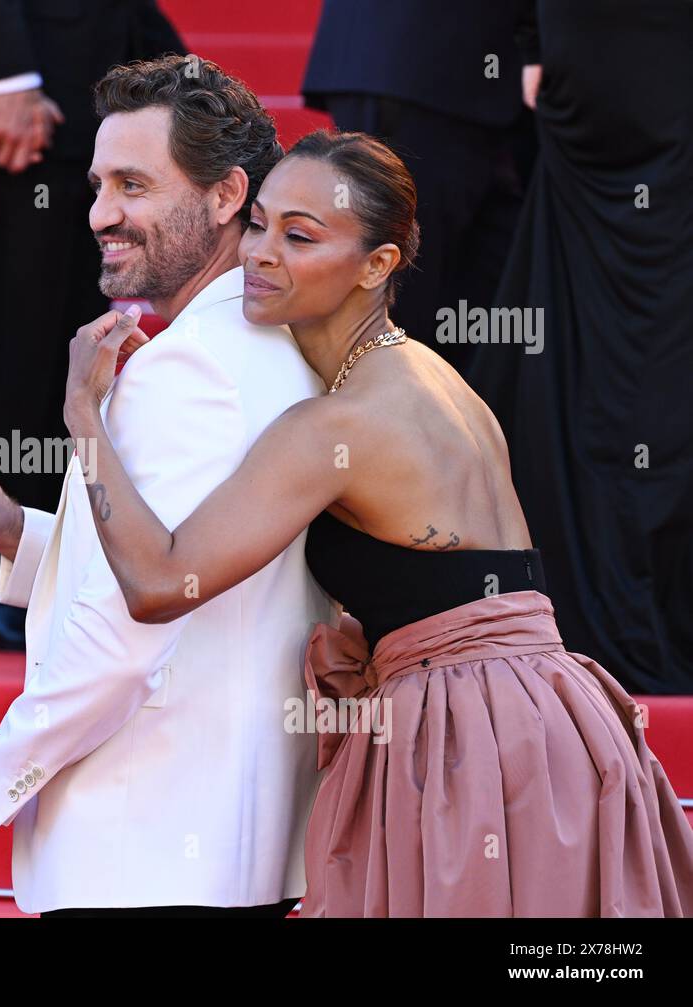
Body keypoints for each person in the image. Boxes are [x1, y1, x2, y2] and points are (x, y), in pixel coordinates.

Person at [61, 129, 693, 916]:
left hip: (473, 742)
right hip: (554, 720)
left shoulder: (336, 426)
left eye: (300, 237)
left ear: (377, 265)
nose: (261, 253)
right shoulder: (432, 375)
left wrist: (85, 414)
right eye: (258, 223)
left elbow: (158, 582)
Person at [0, 56, 334, 917]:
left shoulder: (181, 370)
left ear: (225, 197)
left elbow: (123, 640)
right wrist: (20, 536)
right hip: (229, 856)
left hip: (142, 860)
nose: (102, 212)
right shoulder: (279, 348)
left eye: (134, 185)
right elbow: (213, 572)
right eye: (99, 183)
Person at [0, 0, 183, 649]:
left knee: (79, 351)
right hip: (31, 102)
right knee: (21, 349)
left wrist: (178, 76)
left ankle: (61, 570)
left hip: (103, 86)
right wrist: (9, 76)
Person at [468, 0, 693, 694]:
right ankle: (647, 592)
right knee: (655, 321)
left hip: (590, 62)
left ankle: (592, 586)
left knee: (594, 319)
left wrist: (535, 43)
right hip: (622, 71)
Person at [301, 0, 531, 377]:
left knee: (477, 306)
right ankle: (373, 427)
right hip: (420, 63)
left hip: (461, 72)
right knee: (401, 292)